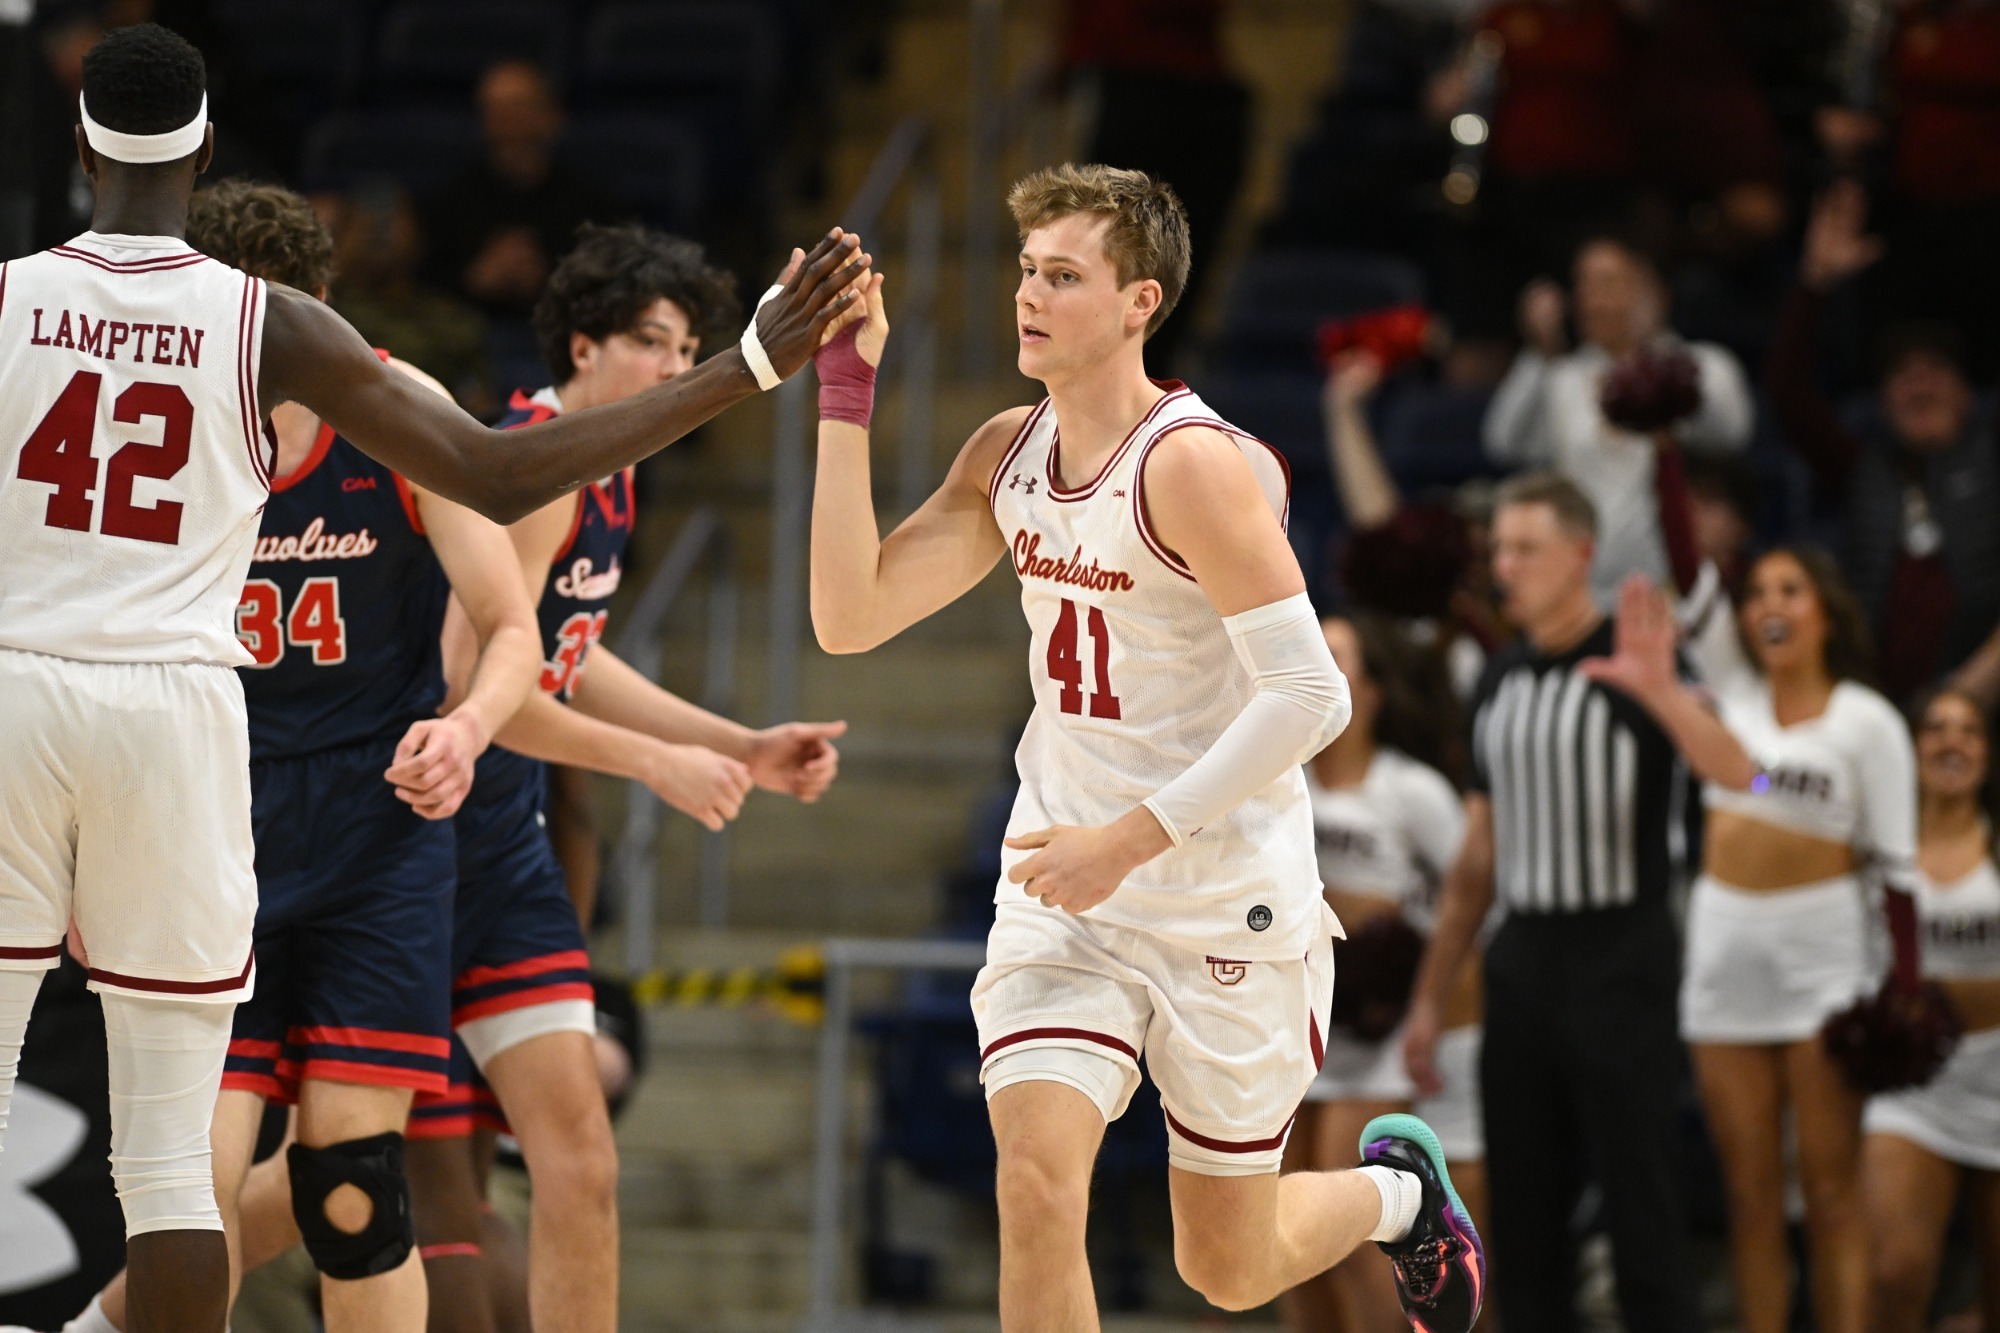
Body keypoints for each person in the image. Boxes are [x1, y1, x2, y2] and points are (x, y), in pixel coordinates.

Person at [0, 22, 862, 1332]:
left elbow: (514, 608)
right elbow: (507, 471)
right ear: (206, 151)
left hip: (52, 700)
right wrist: (741, 367)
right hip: (180, 728)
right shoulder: (264, 325)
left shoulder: (10, 298)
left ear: (78, 149)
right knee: (177, 1171)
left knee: (333, 1177)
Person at [808, 162, 1484, 1332]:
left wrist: (1127, 840)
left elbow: (1308, 695)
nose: (1028, 295)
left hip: (1220, 898)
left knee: (1224, 1265)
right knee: (1032, 1185)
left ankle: (1395, 1195)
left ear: (1140, 301)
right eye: (1025, 270)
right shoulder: (1001, 454)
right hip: (1066, 893)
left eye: (1061, 275)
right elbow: (847, 616)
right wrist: (843, 390)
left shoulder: (1191, 466)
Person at [405, 222, 848, 1333]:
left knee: (580, 1163)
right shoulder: (531, 463)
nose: (670, 369)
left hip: (504, 846)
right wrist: (654, 762)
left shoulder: (607, 473)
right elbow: (477, 685)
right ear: (584, 348)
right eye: (653, 343)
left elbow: (572, 653)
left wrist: (737, 742)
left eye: (687, 345)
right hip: (414, 833)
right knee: (387, 1189)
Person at [1580, 551, 1917, 1333]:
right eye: (1758, 591)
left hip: (1825, 959)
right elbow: (1749, 781)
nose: (1772, 603)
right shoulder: (1729, 701)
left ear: (1826, 614)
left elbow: (1898, 875)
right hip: (1726, 958)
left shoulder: (1868, 721)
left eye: (1792, 590)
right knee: (1750, 1197)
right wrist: (1654, 432)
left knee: (1832, 1197)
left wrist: (1905, 989)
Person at [1404, 472, 1699, 1333]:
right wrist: (1429, 999)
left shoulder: (1638, 661)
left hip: (1623, 952)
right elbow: (1476, 862)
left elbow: (1742, 773)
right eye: (1498, 548)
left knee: (1642, 1205)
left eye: (1526, 547)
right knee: (1523, 1221)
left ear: (1582, 553)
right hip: (1524, 958)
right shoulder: (1498, 679)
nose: (1505, 565)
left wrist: (1672, 698)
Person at [1281, 615, 1487, 1333]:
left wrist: (1430, 1003)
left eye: (1334, 654)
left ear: (1367, 687)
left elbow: (1478, 902)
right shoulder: (1276, 782)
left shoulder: (1411, 791)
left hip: (1376, 1033)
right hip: (1293, 1031)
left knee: (1346, 1236)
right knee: (1281, 1246)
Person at [1766, 180, 2000, 705]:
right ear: (1883, 403)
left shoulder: (1992, 454)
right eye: (1902, 375)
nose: (1919, 384)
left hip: (1986, 699)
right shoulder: (1859, 466)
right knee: (1764, 777)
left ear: (1969, 396)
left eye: (1936, 370)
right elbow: (1787, 393)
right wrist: (1814, 286)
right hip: (1870, 698)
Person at [1484, 234, 1754, 606]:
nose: (1591, 298)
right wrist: (1538, 354)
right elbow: (1503, 443)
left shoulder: (1696, 367)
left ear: (1650, 290)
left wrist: (1654, 353)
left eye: (1607, 282)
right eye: (1582, 283)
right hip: (1585, 589)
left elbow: (1733, 430)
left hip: (1673, 586)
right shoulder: (1564, 380)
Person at [1862, 687, 2000, 1333]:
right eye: (1936, 728)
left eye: (1970, 731)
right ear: (1910, 750)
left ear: (1988, 755)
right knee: (1894, 1275)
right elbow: (1758, 779)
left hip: (1997, 1077)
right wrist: (1748, 768)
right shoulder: (1877, 850)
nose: (1953, 741)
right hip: (1914, 1089)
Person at [421, 61, 621, 321]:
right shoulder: (450, 200)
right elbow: (424, 286)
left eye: (518, 107)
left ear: (552, 116)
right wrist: (475, 279)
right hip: (465, 337)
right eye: (493, 109)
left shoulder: (592, 200)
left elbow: (613, 284)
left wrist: (548, 277)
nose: (505, 122)